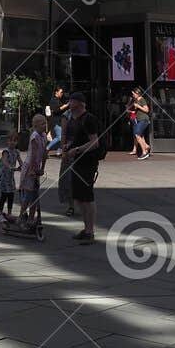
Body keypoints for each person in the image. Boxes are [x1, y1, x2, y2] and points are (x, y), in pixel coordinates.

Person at [60, 92, 105, 243]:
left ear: (80, 103)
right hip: (77, 162)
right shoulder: (73, 119)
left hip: (88, 162)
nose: (69, 103)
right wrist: (68, 147)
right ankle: (86, 229)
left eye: (72, 101)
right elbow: (76, 139)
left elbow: (95, 142)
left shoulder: (88, 119)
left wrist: (76, 150)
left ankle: (90, 232)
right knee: (78, 197)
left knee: (87, 197)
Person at [18, 112, 48, 227]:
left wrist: (42, 168)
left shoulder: (44, 136)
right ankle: (21, 217)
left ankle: (31, 218)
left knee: (35, 195)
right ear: (35, 126)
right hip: (29, 168)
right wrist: (33, 170)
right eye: (41, 124)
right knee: (28, 195)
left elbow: (44, 153)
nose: (44, 125)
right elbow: (34, 155)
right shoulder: (34, 136)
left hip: (36, 168)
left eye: (45, 123)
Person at [49, 109, 75, 216]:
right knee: (68, 179)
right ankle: (71, 205)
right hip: (70, 150)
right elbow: (63, 134)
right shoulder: (67, 115)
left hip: (77, 150)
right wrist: (64, 150)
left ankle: (74, 205)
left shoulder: (84, 115)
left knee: (72, 179)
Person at [0, 128, 22, 220]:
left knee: (11, 195)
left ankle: (9, 213)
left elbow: (20, 161)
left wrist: (23, 167)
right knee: (4, 195)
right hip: (4, 177)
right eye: (10, 140)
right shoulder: (6, 151)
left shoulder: (16, 152)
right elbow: (5, 161)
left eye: (14, 141)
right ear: (7, 141)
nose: (12, 142)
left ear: (17, 142)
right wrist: (10, 167)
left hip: (10, 177)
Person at [129, 88, 153, 160]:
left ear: (137, 93)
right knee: (140, 135)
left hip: (144, 119)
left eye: (133, 94)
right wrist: (134, 112)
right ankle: (146, 147)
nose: (133, 95)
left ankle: (144, 152)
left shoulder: (142, 100)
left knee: (137, 134)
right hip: (139, 120)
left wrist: (138, 106)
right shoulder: (137, 100)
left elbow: (146, 109)